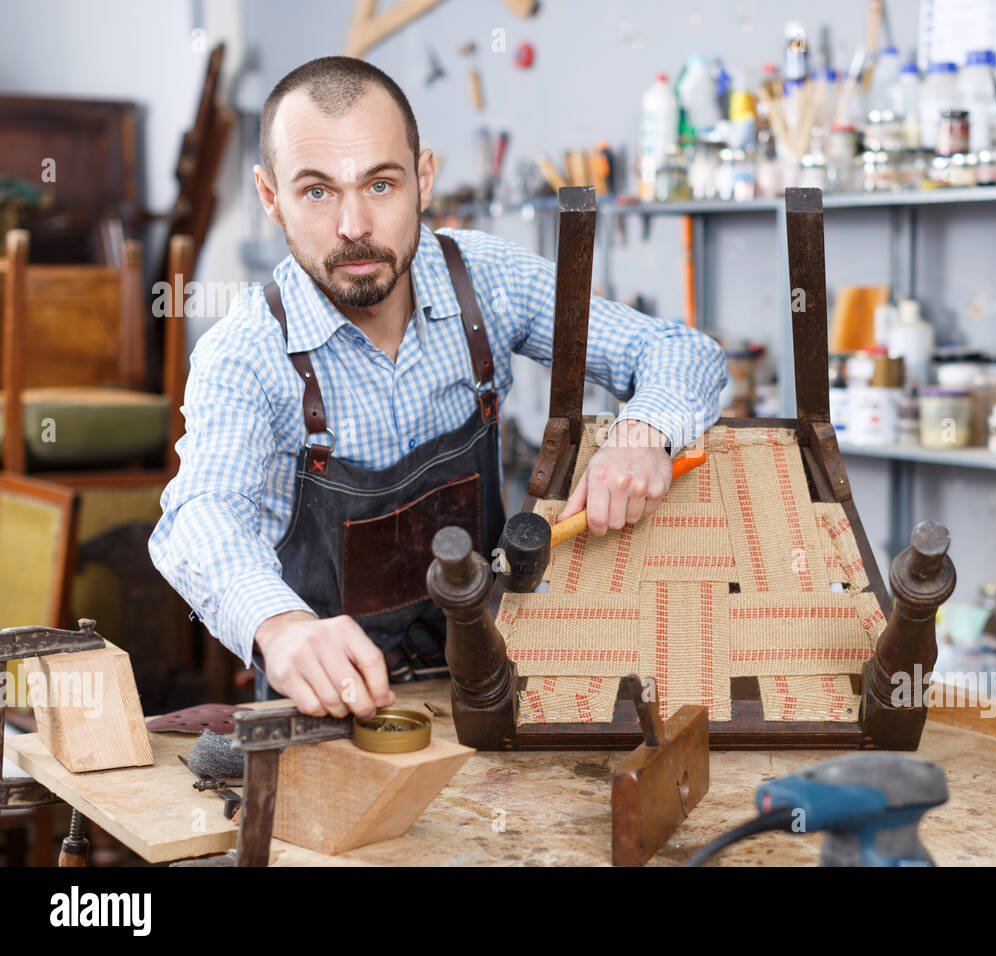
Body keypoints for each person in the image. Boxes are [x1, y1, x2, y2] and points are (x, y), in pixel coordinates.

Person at [149, 56, 727, 720]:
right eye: (316, 191)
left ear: (424, 177)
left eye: (381, 184)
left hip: (486, 684)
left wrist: (642, 433)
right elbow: (200, 515)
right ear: (269, 195)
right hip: (327, 713)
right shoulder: (244, 350)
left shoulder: (489, 278)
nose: (353, 226)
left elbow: (682, 352)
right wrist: (280, 627)